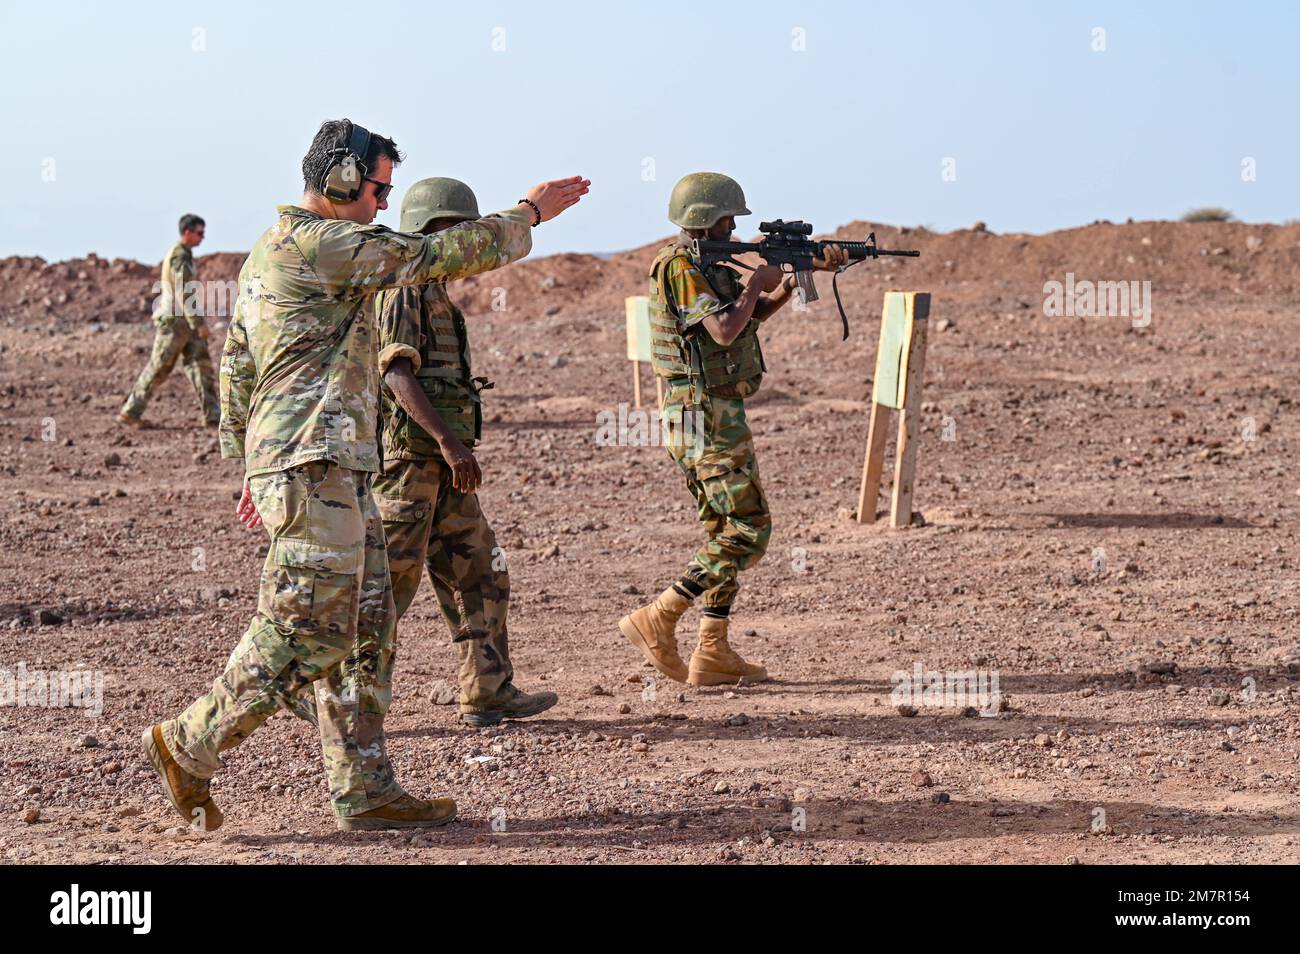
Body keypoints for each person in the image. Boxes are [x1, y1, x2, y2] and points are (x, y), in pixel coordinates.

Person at [141, 118, 588, 832]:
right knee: (308, 631)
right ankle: (189, 741)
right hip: (314, 464)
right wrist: (529, 214)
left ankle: (366, 787)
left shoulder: (270, 252)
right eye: (378, 187)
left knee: (369, 624)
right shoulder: (325, 245)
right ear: (344, 178)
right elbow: (436, 252)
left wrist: (251, 460)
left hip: (334, 464)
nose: (383, 202)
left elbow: (239, 363)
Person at [618, 172, 845, 686]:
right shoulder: (679, 267)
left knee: (723, 530)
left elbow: (748, 319)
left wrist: (790, 282)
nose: (732, 228)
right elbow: (723, 330)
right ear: (702, 221)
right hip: (702, 416)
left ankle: (713, 649)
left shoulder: (704, 263)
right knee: (749, 529)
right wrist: (757, 282)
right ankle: (660, 615)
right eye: (726, 220)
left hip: (710, 412)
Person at [373, 178, 558, 727]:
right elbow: (396, 373)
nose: (466, 244)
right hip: (409, 464)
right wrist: (451, 444)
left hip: (440, 466)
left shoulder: (433, 288)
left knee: (481, 571)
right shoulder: (403, 285)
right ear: (433, 230)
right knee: (385, 591)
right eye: (458, 230)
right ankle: (349, 707)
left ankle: (488, 690)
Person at [118, 213, 219, 427]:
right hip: (175, 322)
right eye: (200, 233)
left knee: (201, 367)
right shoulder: (179, 257)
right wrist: (198, 323)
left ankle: (213, 417)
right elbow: (184, 292)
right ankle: (131, 412)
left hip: (184, 322)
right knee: (159, 367)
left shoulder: (186, 255)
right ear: (187, 232)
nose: (203, 237)